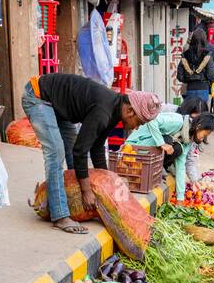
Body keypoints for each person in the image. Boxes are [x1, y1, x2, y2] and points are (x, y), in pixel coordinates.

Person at [22, 72, 160, 233]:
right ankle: (60, 215)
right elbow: (80, 151)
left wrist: (108, 183)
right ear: (130, 111)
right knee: (56, 153)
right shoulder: (103, 112)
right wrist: (87, 190)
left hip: (57, 105)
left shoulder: (114, 109)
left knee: (73, 153)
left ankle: (74, 205)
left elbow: (97, 148)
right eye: (139, 122)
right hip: (38, 97)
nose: (136, 127)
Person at [125, 110, 214, 200]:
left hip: (148, 152)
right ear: (199, 127)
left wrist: (180, 197)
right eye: (205, 134)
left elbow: (181, 166)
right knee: (168, 141)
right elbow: (152, 120)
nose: (203, 138)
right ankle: (157, 168)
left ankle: (157, 168)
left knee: (178, 148)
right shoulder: (177, 121)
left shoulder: (188, 140)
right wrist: (161, 143)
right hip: (135, 146)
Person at [176, 28, 214, 114]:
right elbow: (211, 75)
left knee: (189, 113)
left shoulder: (185, 55)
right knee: (202, 114)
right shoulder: (207, 55)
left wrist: (188, 78)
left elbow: (180, 76)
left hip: (190, 89)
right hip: (203, 88)